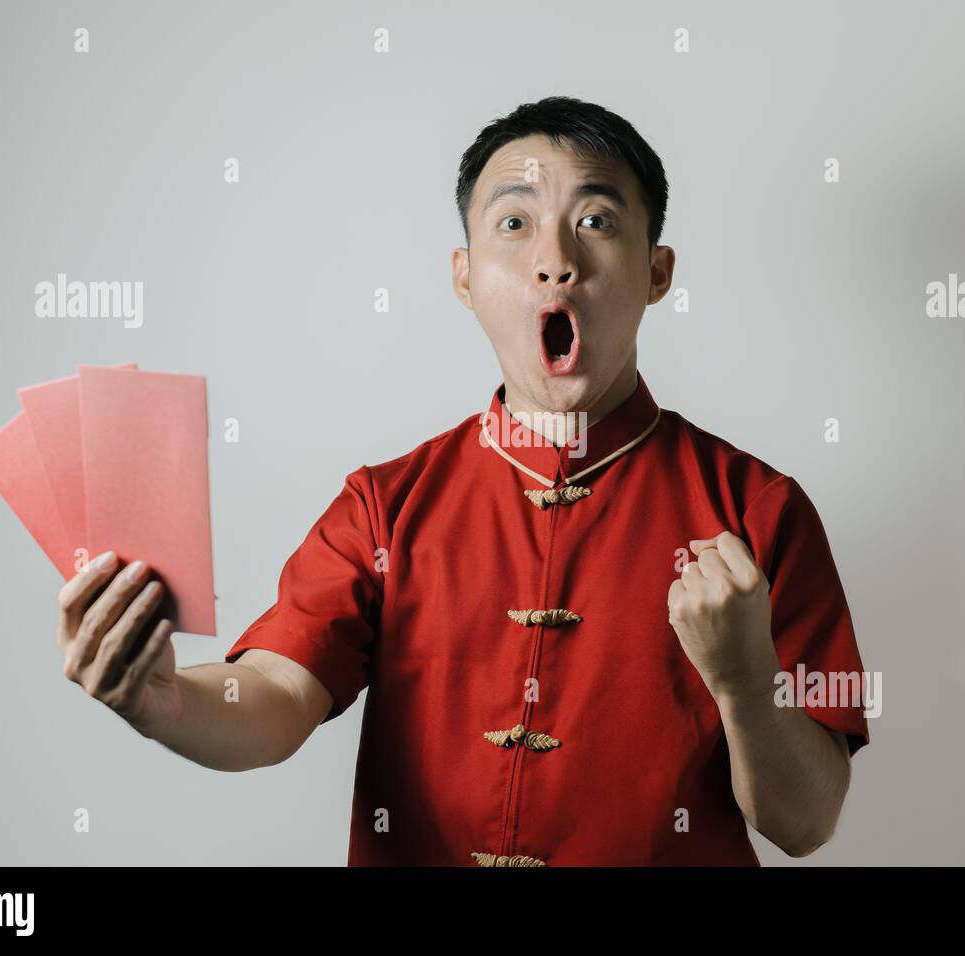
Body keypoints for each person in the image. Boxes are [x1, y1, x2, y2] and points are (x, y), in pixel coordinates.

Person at [55, 95, 871, 866]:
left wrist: (744, 679)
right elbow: (275, 691)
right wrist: (162, 702)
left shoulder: (758, 511)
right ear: (465, 276)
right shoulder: (384, 505)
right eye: (514, 224)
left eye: (596, 221)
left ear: (657, 272)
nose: (556, 261)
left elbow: (806, 822)